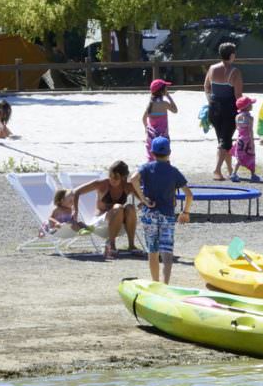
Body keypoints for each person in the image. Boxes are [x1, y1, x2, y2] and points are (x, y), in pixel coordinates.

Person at [133, 135, 190, 283]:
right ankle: (165, 284)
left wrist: (143, 199)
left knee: (152, 250)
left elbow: (132, 179)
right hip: (167, 214)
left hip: (150, 214)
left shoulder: (146, 168)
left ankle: (155, 282)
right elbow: (189, 194)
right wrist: (185, 212)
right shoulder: (173, 171)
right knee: (167, 252)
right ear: (169, 152)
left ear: (152, 153)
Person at [71, 160, 146, 260]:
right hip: (100, 221)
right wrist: (75, 210)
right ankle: (112, 245)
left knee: (130, 208)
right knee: (118, 207)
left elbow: (145, 200)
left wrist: (143, 203)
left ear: (123, 178)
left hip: (119, 222)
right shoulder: (102, 184)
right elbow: (76, 192)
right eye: (110, 175)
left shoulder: (128, 187)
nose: (112, 179)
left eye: (116, 177)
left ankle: (131, 245)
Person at [203, 42, 243, 181]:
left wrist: (210, 101)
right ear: (232, 55)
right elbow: (238, 96)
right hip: (228, 109)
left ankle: (230, 169)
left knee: (223, 139)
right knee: (224, 141)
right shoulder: (235, 72)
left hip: (214, 108)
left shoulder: (212, 68)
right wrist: (243, 110)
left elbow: (206, 87)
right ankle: (217, 170)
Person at [143, 79, 178, 160]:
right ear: (162, 91)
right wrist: (169, 96)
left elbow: (143, 118)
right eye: (166, 88)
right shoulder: (164, 104)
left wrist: (146, 128)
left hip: (151, 137)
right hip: (163, 137)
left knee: (151, 159)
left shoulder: (150, 105)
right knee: (164, 159)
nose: (167, 90)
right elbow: (175, 110)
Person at [233, 95, 258, 181]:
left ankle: (234, 173)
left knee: (239, 157)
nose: (252, 105)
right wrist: (252, 141)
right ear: (247, 107)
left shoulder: (238, 116)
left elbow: (238, 128)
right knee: (251, 157)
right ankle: (253, 175)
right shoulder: (249, 118)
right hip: (247, 140)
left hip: (240, 139)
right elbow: (250, 130)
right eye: (251, 104)